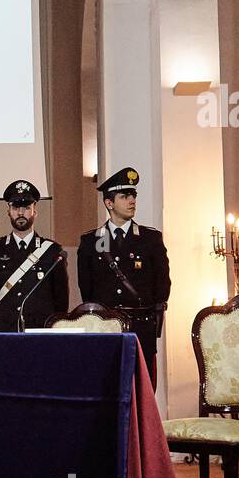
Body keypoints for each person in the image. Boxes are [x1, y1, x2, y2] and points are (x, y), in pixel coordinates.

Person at [77, 166, 171, 387]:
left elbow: (162, 285)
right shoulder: (92, 241)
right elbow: (87, 289)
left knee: (143, 388)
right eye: (124, 196)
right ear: (109, 203)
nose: (131, 201)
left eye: (133, 196)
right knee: (107, 386)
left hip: (140, 326)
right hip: (106, 327)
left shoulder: (150, 239)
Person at [0, 180, 69, 332]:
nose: (21, 213)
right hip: (7, 329)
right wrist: (3, 318)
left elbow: (61, 299)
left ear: (35, 211)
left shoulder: (52, 251)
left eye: (26, 207)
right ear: (8, 211)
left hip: (40, 330)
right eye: (15, 207)